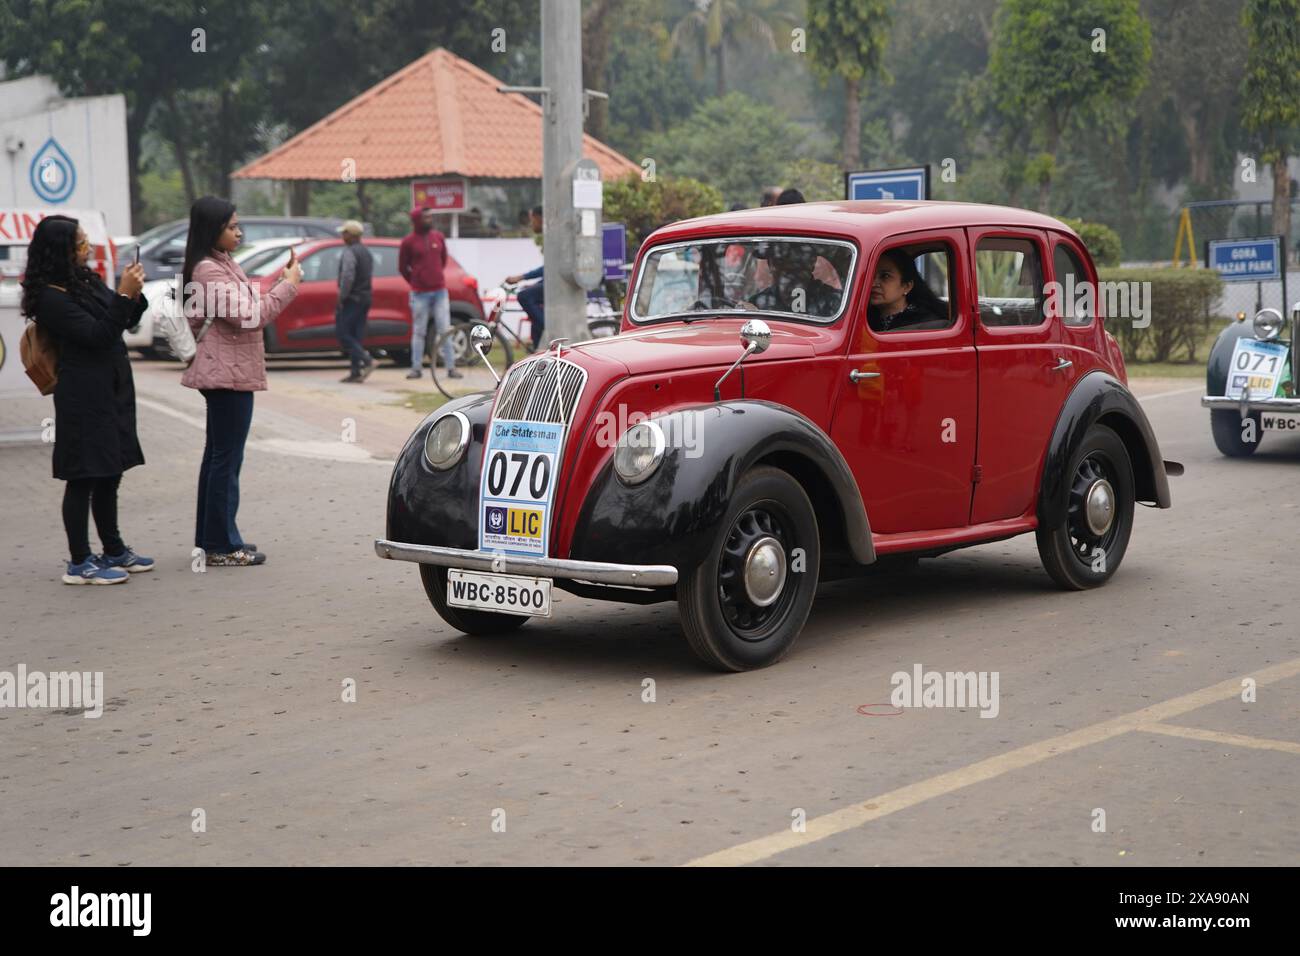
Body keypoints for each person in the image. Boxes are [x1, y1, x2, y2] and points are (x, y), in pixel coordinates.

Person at [22, 215, 153, 584]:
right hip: (82, 393)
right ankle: (79, 561)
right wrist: (124, 295)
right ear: (61, 250)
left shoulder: (84, 280)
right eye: (80, 243)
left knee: (110, 470)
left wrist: (133, 293)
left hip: (111, 388)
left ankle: (113, 548)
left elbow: (122, 320)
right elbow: (97, 334)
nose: (87, 248)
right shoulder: (49, 297)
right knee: (83, 474)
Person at [180, 196, 302, 567]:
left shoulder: (221, 263)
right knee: (225, 459)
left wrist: (279, 282)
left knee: (220, 457)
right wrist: (289, 286)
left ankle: (214, 537)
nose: (239, 232)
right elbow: (249, 316)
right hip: (225, 375)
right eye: (232, 226)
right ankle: (220, 544)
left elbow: (244, 306)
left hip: (229, 371)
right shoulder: (207, 270)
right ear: (212, 229)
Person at [398, 206, 457, 380]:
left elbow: (443, 260)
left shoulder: (438, 237)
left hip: (439, 291)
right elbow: (402, 267)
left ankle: (451, 367)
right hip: (419, 294)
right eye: (426, 217)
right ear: (416, 220)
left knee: (444, 329)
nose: (429, 220)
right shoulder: (408, 242)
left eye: (431, 217)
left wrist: (434, 277)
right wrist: (415, 281)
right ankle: (416, 368)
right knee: (419, 331)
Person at [746, 241, 841, 318]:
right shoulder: (757, 304)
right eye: (780, 262)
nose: (788, 271)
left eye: (797, 263)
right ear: (770, 265)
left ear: (812, 263)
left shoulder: (834, 301)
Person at [867, 248, 946, 332]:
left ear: (907, 286)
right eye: (871, 275)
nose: (873, 284)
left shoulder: (926, 324)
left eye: (885, 276)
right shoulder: (862, 318)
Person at [335, 220, 375, 383]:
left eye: (344, 233)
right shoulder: (366, 252)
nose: (342, 236)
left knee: (343, 333)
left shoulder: (350, 252)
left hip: (352, 298)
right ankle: (355, 371)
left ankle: (366, 360)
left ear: (351, 235)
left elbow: (348, 276)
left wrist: (342, 296)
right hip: (365, 297)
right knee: (356, 336)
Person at [504, 206, 545, 351]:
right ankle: (539, 350)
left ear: (540, 218)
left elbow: (548, 270)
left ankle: (549, 328)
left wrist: (521, 277)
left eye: (532, 220)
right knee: (535, 322)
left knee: (524, 296)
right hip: (551, 281)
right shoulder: (548, 236)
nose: (531, 224)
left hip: (558, 284)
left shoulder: (553, 236)